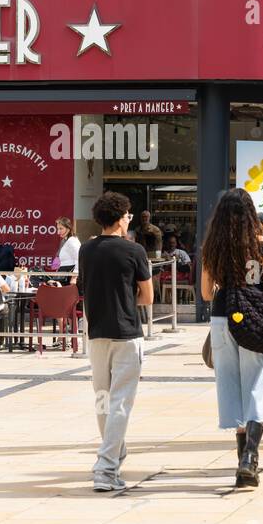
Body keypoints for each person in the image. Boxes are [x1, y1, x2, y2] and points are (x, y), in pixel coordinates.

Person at [200, 187, 263, 489]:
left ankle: (242, 461)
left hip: (223, 318)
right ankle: (250, 456)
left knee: (232, 387)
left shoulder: (213, 246)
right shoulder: (261, 244)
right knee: (258, 385)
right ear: (251, 214)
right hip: (254, 318)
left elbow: (205, 293)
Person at [77, 192, 153, 492]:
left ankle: (115, 452)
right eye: (129, 215)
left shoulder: (86, 250)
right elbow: (147, 297)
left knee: (102, 398)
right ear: (121, 217)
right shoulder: (133, 251)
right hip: (126, 333)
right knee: (121, 401)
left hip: (96, 332)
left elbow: (84, 287)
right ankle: (106, 467)